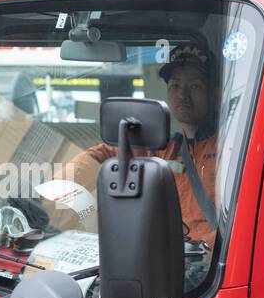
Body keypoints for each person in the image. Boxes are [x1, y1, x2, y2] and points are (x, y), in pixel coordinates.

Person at [69, 43, 220, 246]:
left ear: (215, 93)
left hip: (212, 269)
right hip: (164, 263)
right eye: (175, 85)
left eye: (194, 86)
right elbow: (102, 155)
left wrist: (207, 251)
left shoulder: (231, 149)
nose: (183, 95)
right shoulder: (164, 147)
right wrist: (57, 192)